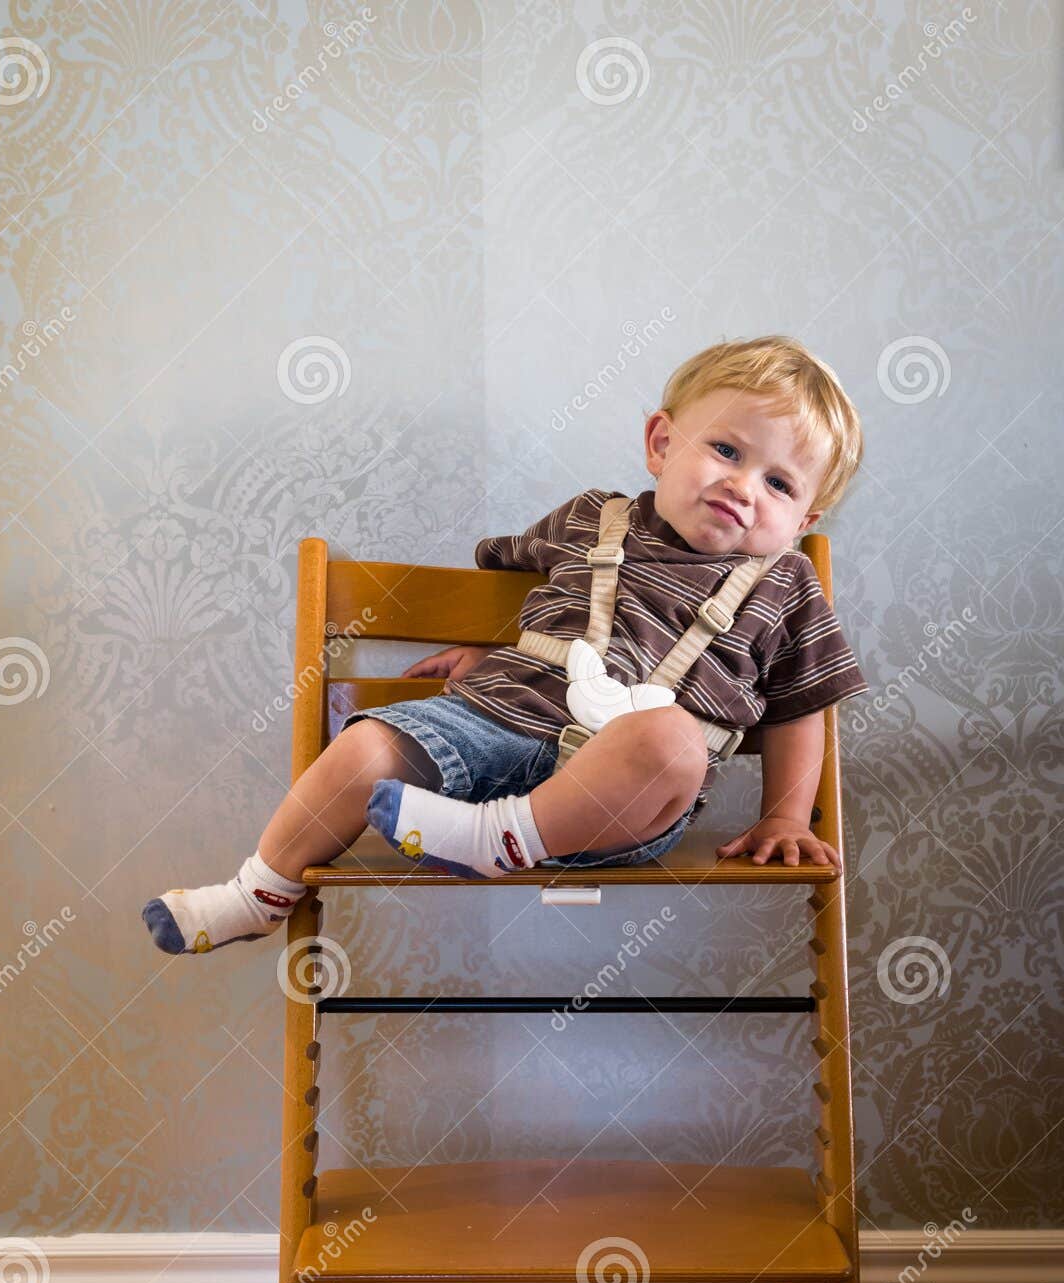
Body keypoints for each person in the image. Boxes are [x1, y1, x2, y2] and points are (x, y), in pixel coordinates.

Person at [143, 334, 869, 956]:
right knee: (365, 747)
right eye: (726, 449)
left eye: (779, 482)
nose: (744, 485)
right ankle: (257, 892)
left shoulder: (788, 585)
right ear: (661, 443)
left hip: (615, 801)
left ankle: (500, 837)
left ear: (808, 514)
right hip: (492, 723)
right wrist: (492, 652)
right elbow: (497, 584)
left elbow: (800, 708)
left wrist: (782, 815)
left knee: (674, 740)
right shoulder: (593, 519)